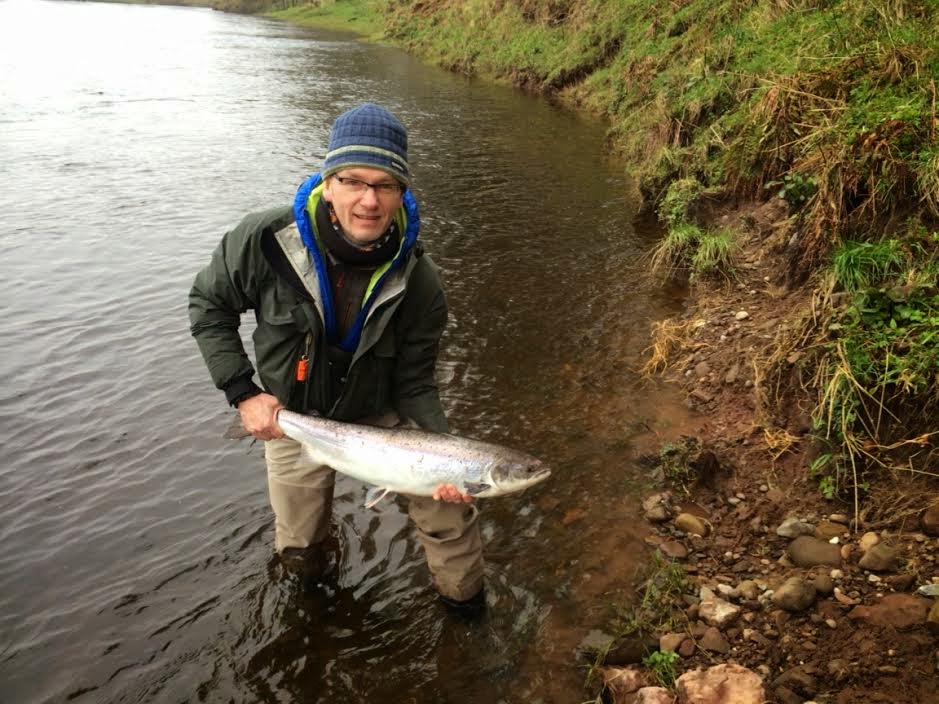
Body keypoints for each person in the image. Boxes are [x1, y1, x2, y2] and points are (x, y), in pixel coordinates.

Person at [189, 103, 485, 611]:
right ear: (328, 184)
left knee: (450, 517)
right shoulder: (265, 241)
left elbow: (416, 383)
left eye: (385, 185)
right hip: (293, 416)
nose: (369, 200)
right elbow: (209, 306)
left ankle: (467, 610)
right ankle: (310, 611)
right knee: (299, 547)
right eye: (353, 181)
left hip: (382, 416)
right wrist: (243, 392)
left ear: (402, 193)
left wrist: (446, 457)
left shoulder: (421, 280)